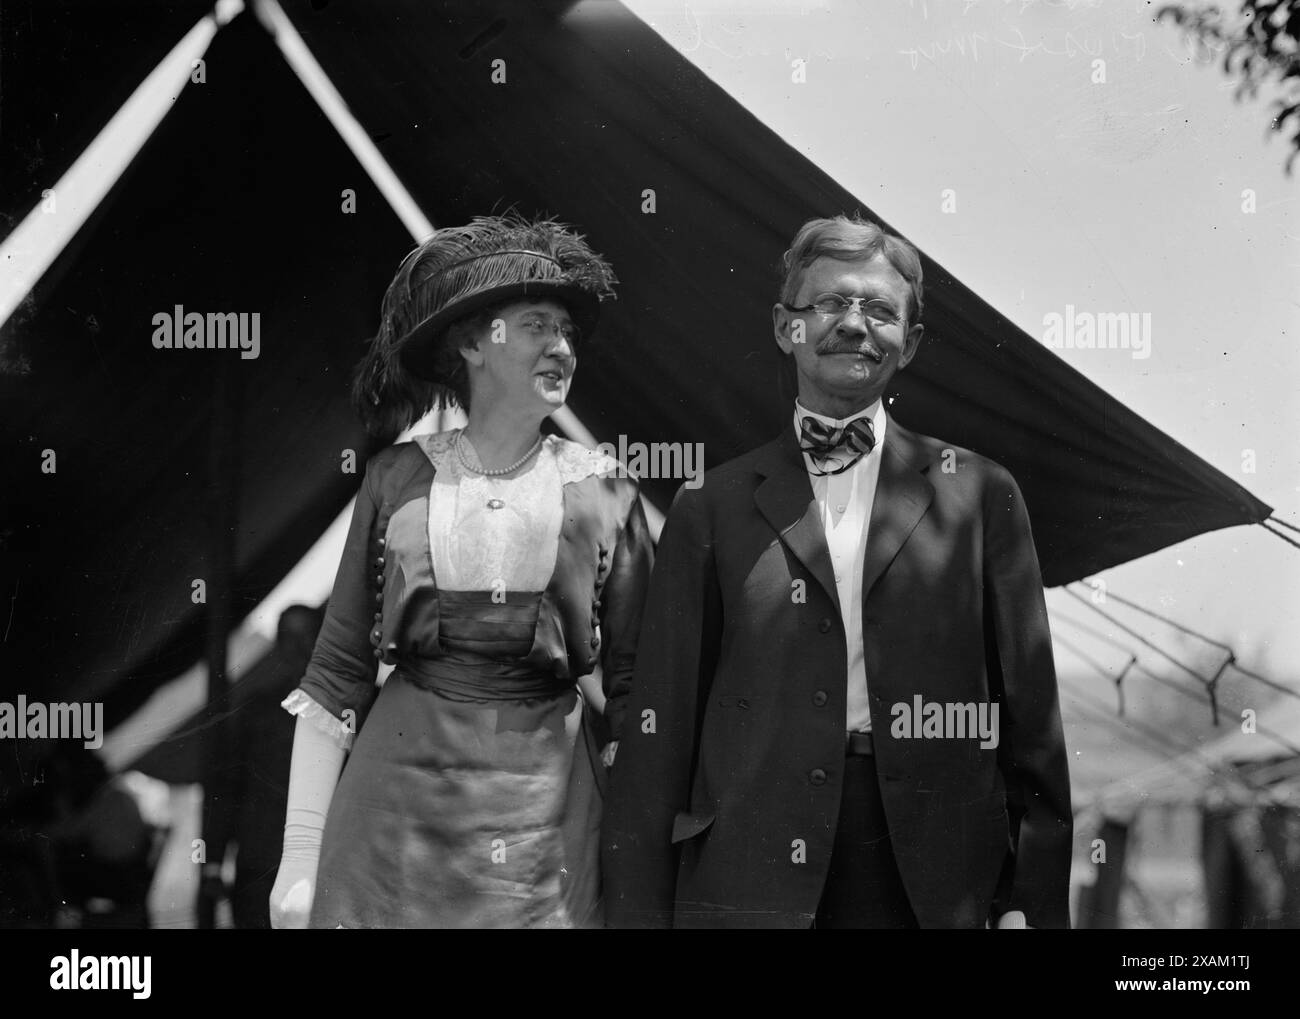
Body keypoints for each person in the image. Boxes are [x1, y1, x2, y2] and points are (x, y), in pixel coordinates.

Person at [602, 213, 1072, 929]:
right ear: (784, 327)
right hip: (747, 875)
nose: (855, 325)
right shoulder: (710, 506)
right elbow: (660, 732)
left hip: (931, 884)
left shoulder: (979, 494)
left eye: (881, 310)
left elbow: (1031, 725)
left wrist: (1029, 909)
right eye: (829, 303)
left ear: (908, 344)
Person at [269, 214, 652, 928]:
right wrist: (298, 857)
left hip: (547, 832)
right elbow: (336, 673)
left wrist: (639, 861)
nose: (561, 347)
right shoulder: (394, 477)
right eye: (537, 324)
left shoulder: (608, 490)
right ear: (474, 343)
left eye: (568, 332)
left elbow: (637, 693)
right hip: (391, 820)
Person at [200, 604, 323, 928]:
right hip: (261, 866)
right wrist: (212, 863)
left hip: (326, 865)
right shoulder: (258, 710)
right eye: (288, 638)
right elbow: (226, 788)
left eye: (306, 636)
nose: (298, 647)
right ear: (278, 647)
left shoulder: (355, 706)